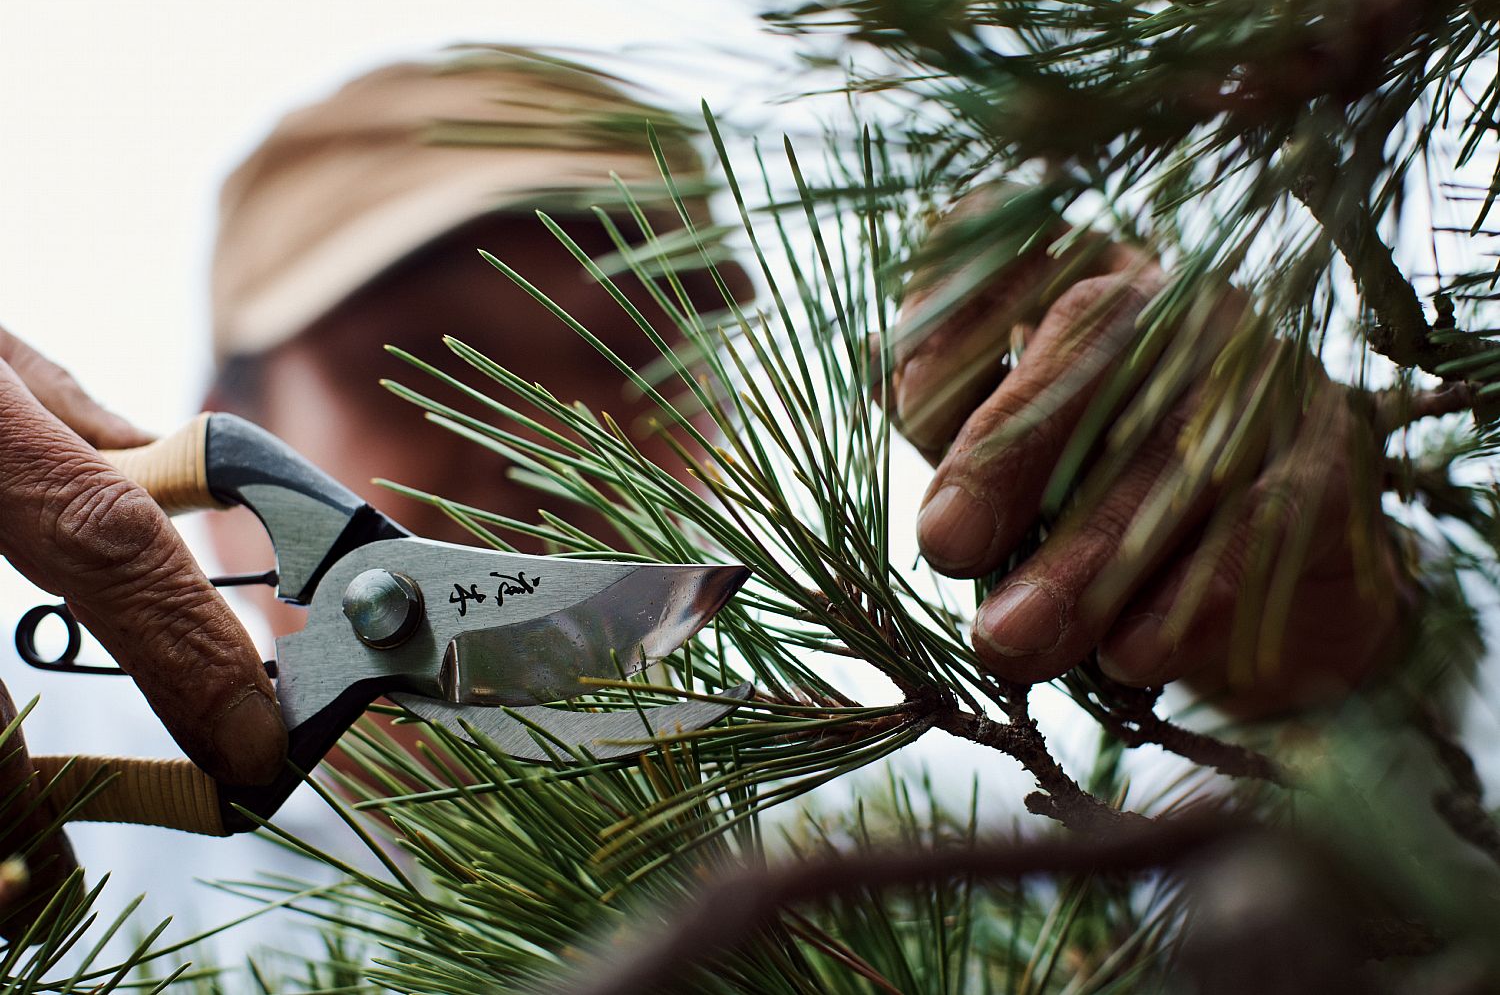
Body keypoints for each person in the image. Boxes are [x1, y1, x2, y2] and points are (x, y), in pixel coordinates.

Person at [0, 50, 1403, 935]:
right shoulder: (85, 870)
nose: (555, 451)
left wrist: (1343, 674)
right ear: (217, 440)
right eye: (427, 368)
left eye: (636, 359)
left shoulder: (950, 895)